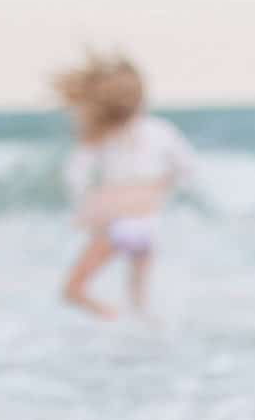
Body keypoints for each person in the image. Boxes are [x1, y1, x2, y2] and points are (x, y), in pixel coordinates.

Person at [53, 54, 199, 318]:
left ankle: (111, 319)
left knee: (72, 291)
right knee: (139, 299)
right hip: (148, 225)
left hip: (116, 226)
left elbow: (75, 176)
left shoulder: (101, 136)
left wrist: (88, 210)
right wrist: (162, 189)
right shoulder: (161, 130)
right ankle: (143, 341)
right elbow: (187, 169)